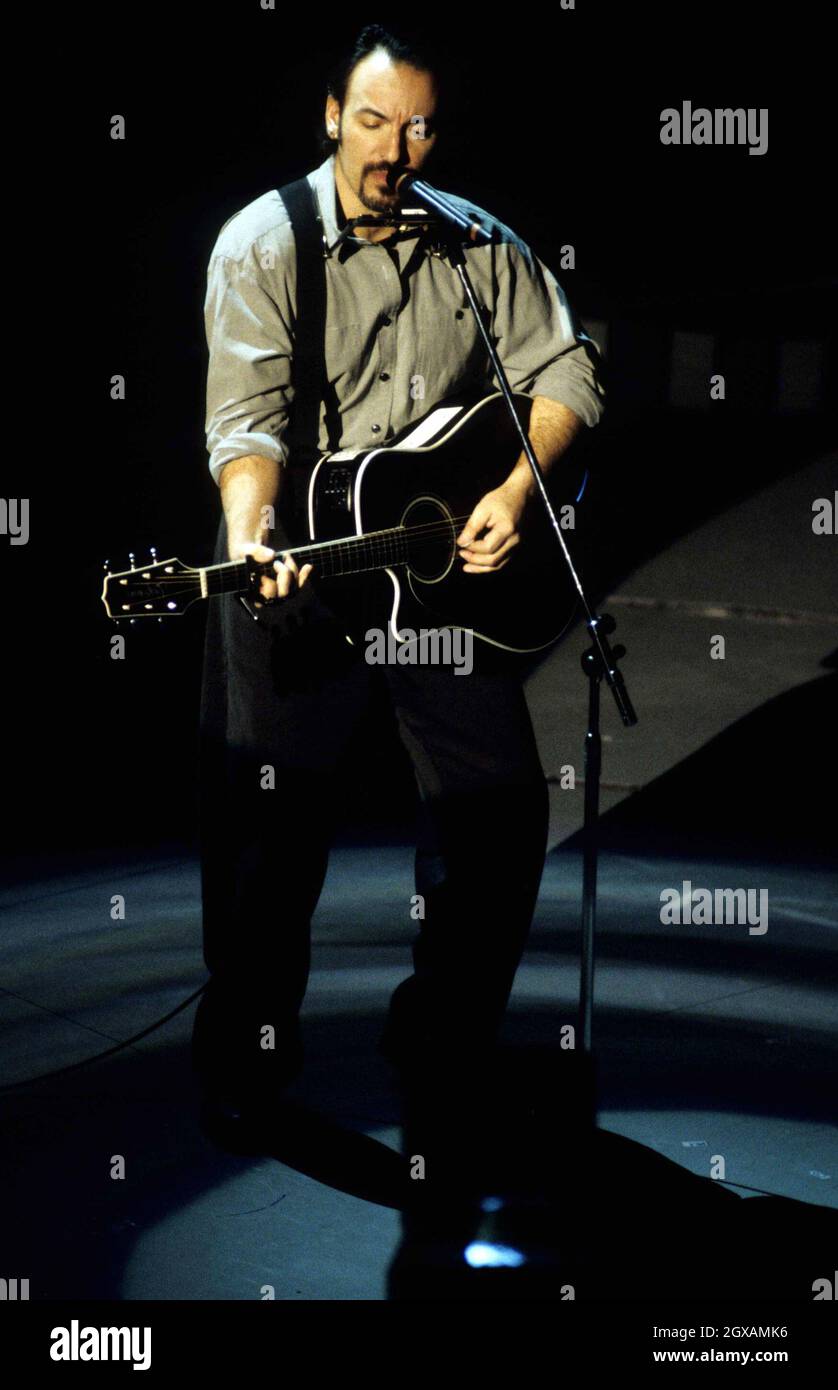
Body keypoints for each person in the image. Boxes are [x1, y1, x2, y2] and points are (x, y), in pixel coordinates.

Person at [191, 24, 606, 1140]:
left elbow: (568, 363)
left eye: (416, 125)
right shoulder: (262, 246)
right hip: (309, 577)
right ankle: (244, 1057)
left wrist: (515, 494)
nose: (393, 150)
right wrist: (254, 536)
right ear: (331, 116)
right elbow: (245, 423)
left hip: (439, 588)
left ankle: (441, 1035)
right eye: (372, 121)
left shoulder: (475, 243)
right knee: (270, 843)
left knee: (499, 818)